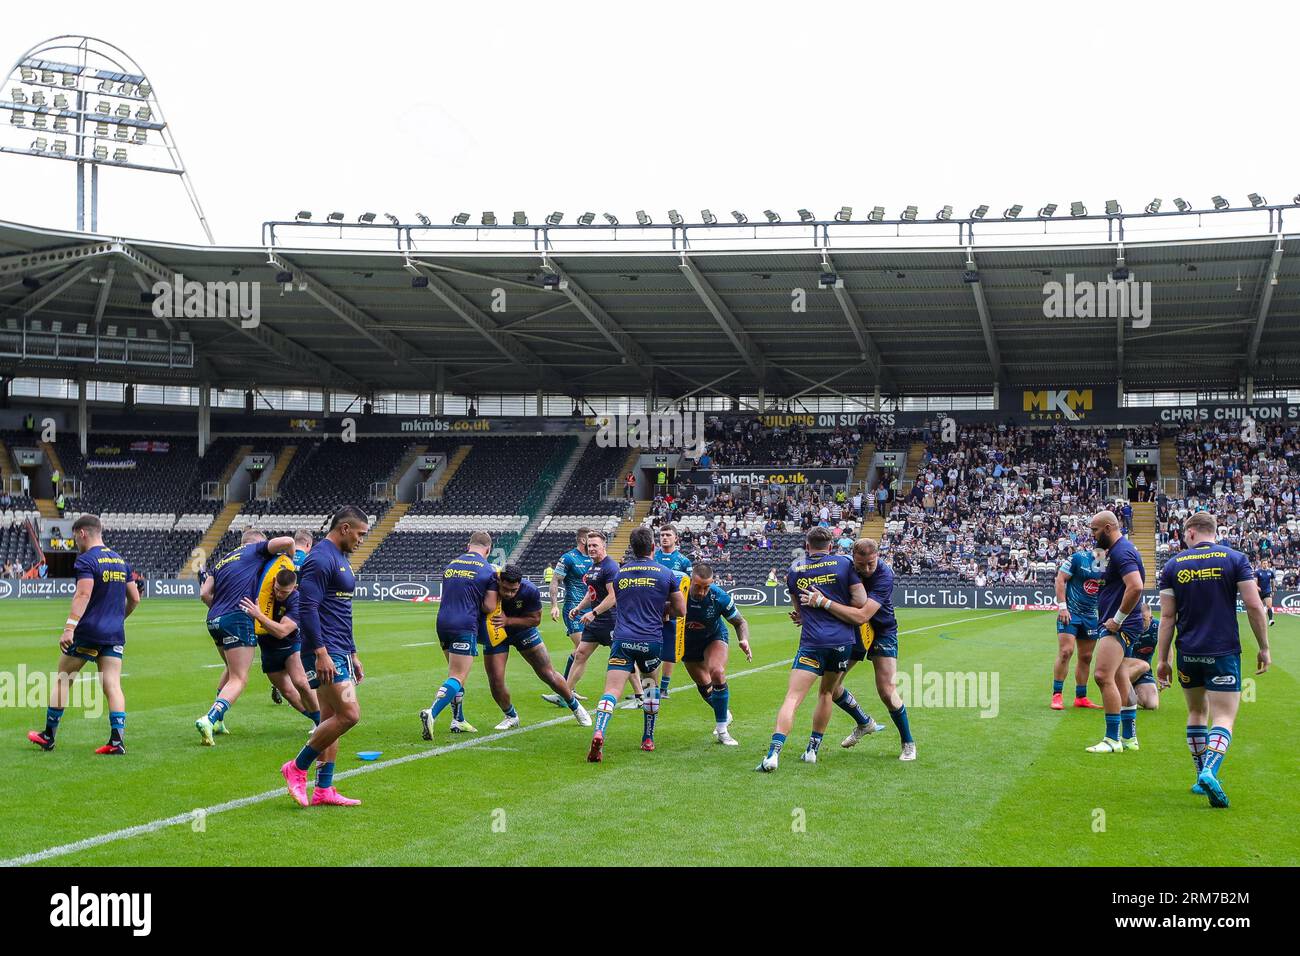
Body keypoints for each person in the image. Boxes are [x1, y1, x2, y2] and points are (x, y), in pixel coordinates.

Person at [1156, 511, 1271, 808]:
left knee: (1196, 712)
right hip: (1222, 651)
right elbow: (1254, 605)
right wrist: (1263, 647)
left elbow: (1167, 617)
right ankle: (1210, 770)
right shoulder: (1235, 559)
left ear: (1192, 532)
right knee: (1223, 717)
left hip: (1188, 652)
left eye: (1184, 534)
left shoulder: (1173, 565)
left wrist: (1163, 660)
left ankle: (1199, 776)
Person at [280, 505, 369, 807]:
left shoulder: (340, 558)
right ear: (344, 528)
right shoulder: (320, 559)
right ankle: (297, 767)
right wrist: (320, 653)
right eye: (359, 534)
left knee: (331, 719)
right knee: (350, 714)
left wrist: (353, 652)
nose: (361, 540)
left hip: (340, 649)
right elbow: (308, 608)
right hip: (325, 651)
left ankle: (323, 789)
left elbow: (342, 612)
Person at [757, 527, 867, 772]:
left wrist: (809, 611)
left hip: (812, 642)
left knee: (793, 698)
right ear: (831, 546)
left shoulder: (795, 568)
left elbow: (800, 611)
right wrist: (835, 601)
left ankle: (773, 754)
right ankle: (812, 751)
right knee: (826, 693)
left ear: (807, 546)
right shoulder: (843, 563)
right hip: (841, 642)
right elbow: (860, 602)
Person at [27, 514, 139, 754]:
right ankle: (117, 742)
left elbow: (83, 594)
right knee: (113, 685)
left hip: (89, 631)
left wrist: (69, 628)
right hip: (114, 633)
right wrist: (118, 619)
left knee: (63, 678)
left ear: (82, 533)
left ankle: (48, 736)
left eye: (75, 537)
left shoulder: (87, 560)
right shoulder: (120, 560)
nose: (76, 542)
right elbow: (135, 598)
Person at [799, 538, 912, 760]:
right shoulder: (844, 565)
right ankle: (864, 722)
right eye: (861, 564)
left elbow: (862, 615)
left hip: (882, 630)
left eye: (871, 563)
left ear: (878, 556)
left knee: (887, 691)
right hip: (853, 631)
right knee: (831, 688)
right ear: (853, 558)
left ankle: (908, 743)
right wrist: (806, 614)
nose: (867, 569)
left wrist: (823, 603)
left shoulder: (884, 575)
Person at [586, 527, 684, 761]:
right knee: (650, 686)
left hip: (622, 639)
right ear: (653, 547)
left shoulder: (620, 574)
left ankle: (599, 731)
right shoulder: (666, 573)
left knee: (611, 691)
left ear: (632, 548)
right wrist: (663, 609)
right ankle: (648, 738)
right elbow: (681, 610)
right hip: (650, 640)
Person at [197, 528, 296, 744]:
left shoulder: (223, 560)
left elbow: (204, 593)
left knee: (230, 669)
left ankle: (219, 720)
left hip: (214, 619)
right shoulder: (256, 550)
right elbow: (289, 541)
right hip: (238, 617)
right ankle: (209, 719)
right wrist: (290, 561)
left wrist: (221, 610)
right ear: (257, 542)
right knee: (239, 678)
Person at [481, 564, 590, 729]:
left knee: (547, 673)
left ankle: (575, 707)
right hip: (495, 633)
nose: (509, 594)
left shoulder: (529, 590)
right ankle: (511, 716)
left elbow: (535, 620)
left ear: (520, 584)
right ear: (499, 581)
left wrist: (508, 621)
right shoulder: (489, 587)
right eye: (505, 589)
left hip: (524, 631)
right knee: (495, 679)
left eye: (513, 590)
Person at [420, 531, 499, 740]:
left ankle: (458, 720)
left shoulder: (452, 565)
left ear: (468, 546)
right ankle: (431, 713)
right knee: (458, 676)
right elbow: (489, 606)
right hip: (465, 624)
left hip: (443, 622)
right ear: (488, 550)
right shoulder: (488, 570)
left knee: (454, 674)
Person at [1085, 510, 1146, 754]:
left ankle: (1112, 739)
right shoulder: (1114, 551)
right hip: (1121, 622)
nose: (1092, 534)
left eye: (1095, 530)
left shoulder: (1122, 551)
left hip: (1120, 625)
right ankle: (1129, 738)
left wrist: (1118, 619)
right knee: (1120, 676)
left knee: (1102, 675)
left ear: (1109, 528)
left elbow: (1136, 587)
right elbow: (1102, 577)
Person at [679, 562, 751, 745]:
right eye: (698, 587)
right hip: (687, 643)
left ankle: (722, 731)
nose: (702, 592)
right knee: (705, 687)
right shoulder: (678, 593)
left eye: (706, 587)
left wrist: (744, 640)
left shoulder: (719, 597)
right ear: (691, 581)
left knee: (717, 672)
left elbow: (740, 622)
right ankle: (725, 713)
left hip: (713, 637)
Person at [1052, 544, 1106, 710]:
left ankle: (1081, 697)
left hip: (1091, 616)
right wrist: (1062, 607)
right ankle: (1057, 695)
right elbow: (1060, 579)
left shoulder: (1109, 565)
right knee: (1065, 651)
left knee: (1086, 657)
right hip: (1070, 613)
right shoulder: (1078, 558)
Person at [544, 527, 593, 704]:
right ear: (582, 540)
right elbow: (555, 580)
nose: (593, 542)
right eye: (590, 538)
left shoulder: (594, 558)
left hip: (592, 611)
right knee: (582, 649)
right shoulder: (568, 558)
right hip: (573, 610)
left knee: (581, 652)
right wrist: (554, 605)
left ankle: (566, 689)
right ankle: (565, 693)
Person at [649, 523, 693, 699]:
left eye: (668, 535)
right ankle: (650, 688)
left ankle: (664, 688)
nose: (664, 537)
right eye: (662, 535)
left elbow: (688, 587)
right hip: (653, 610)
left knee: (669, 650)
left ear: (676, 538)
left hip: (673, 612)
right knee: (650, 648)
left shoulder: (683, 561)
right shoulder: (653, 557)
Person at [1254, 558, 1276, 626]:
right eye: (1264, 563)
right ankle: (1258, 620)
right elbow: (1255, 581)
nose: (1265, 564)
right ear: (1261, 564)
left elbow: (1273, 581)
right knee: (1258, 607)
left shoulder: (1270, 572)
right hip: (1259, 592)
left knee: (1269, 606)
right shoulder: (1257, 572)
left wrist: (1273, 589)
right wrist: (1256, 587)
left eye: (1266, 563)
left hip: (1267, 591)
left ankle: (1271, 620)